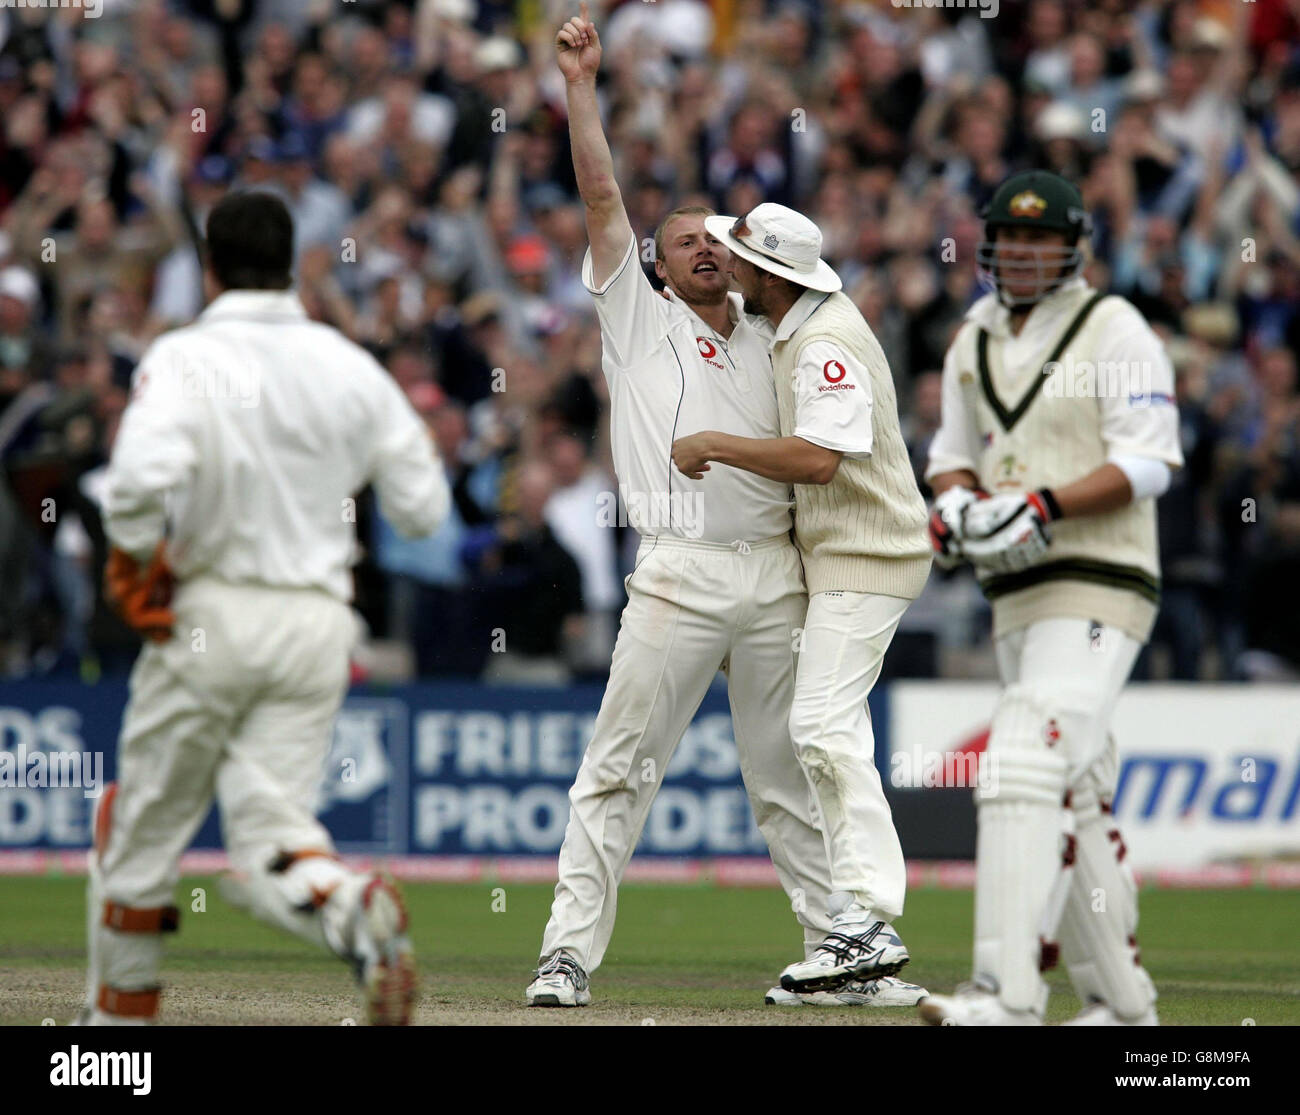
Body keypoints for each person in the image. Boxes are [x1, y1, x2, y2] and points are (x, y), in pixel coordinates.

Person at [528, 4, 926, 1010]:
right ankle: (565, 955)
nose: (700, 246)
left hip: (778, 570)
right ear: (652, 264)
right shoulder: (634, 314)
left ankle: (842, 951)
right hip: (677, 569)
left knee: (788, 779)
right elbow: (600, 189)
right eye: (680, 240)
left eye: (715, 237)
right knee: (618, 770)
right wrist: (580, 84)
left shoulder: (776, 323)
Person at [82, 191, 449, 1026]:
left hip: (212, 612)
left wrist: (135, 557)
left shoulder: (184, 356)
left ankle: (114, 1034)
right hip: (318, 625)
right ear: (292, 264)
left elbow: (136, 483)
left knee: (138, 830)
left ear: (208, 267)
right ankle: (354, 906)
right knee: (270, 841)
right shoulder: (347, 363)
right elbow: (424, 510)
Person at [919, 169, 1182, 1025]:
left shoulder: (1115, 327)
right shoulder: (973, 339)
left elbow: (1149, 462)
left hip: (1102, 579)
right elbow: (951, 455)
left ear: (1074, 247)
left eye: (1043, 239)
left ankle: (1006, 994)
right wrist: (959, 503)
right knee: (1072, 788)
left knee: (1023, 758)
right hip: (1016, 597)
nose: (1024, 253)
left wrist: (1041, 505)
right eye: (1011, 238)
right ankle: (1124, 1006)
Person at [672, 202, 932, 995]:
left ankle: (865, 919)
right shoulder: (797, 322)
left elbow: (820, 461)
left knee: (820, 725)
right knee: (819, 730)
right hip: (841, 558)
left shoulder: (823, 340)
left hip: (868, 555)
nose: (727, 260)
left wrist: (715, 443)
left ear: (768, 274)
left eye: (739, 254)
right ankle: (852, 932)